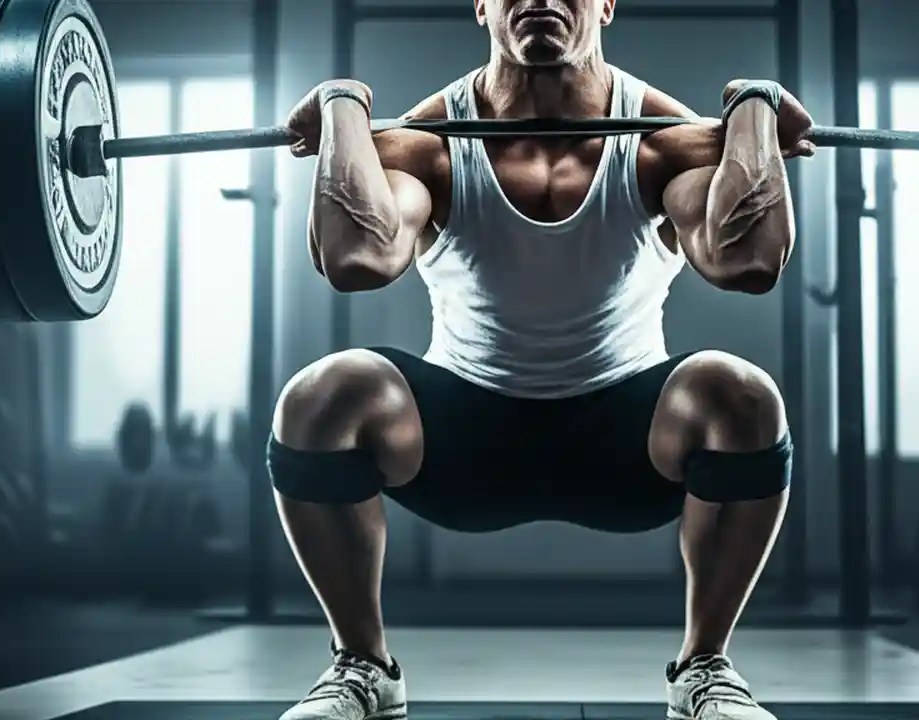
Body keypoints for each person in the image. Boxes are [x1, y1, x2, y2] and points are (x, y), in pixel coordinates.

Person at [270, 1, 815, 718]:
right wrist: (343, 103)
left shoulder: (658, 142)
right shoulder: (431, 141)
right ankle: (364, 666)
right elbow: (356, 257)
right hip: (462, 445)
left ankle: (704, 669)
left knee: (743, 395)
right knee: (320, 396)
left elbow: (749, 259)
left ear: (607, 4)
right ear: (482, 5)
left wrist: (753, 102)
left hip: (627, 444)